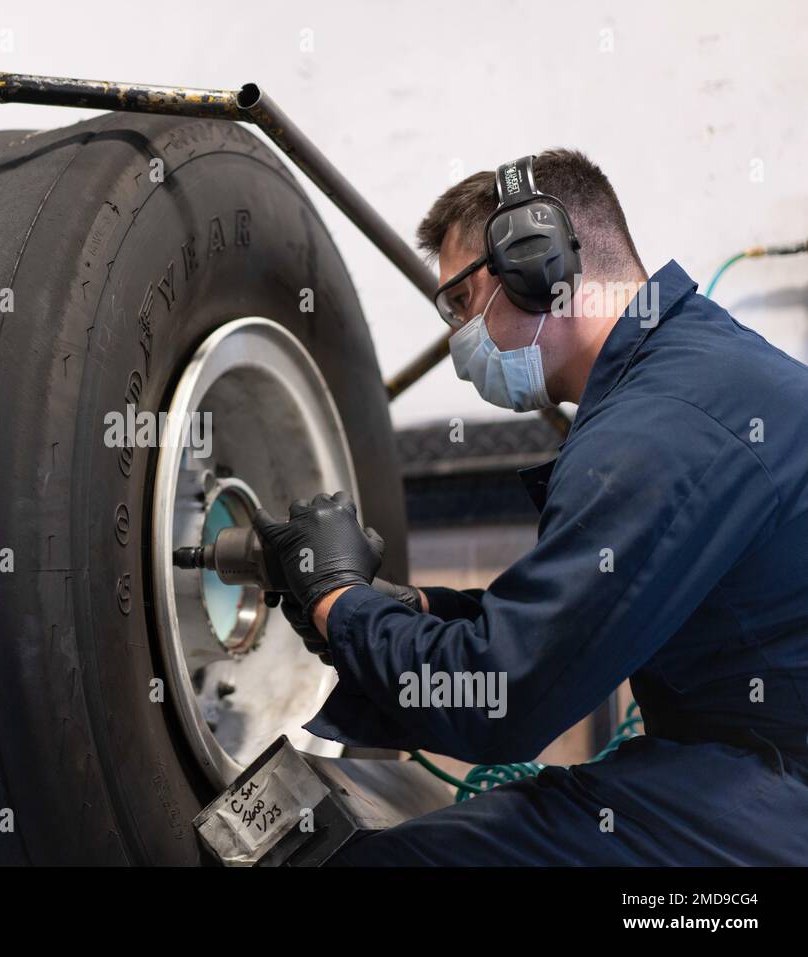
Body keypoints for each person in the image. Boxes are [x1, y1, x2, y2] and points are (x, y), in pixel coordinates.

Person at [254, 149, 808, 864]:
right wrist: (406, 608)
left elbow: (505, 696)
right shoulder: (686, 375)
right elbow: (555, 622)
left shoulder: (661, 428)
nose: (459, 341)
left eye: (459, 303)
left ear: (536, 261)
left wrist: (337, 599)